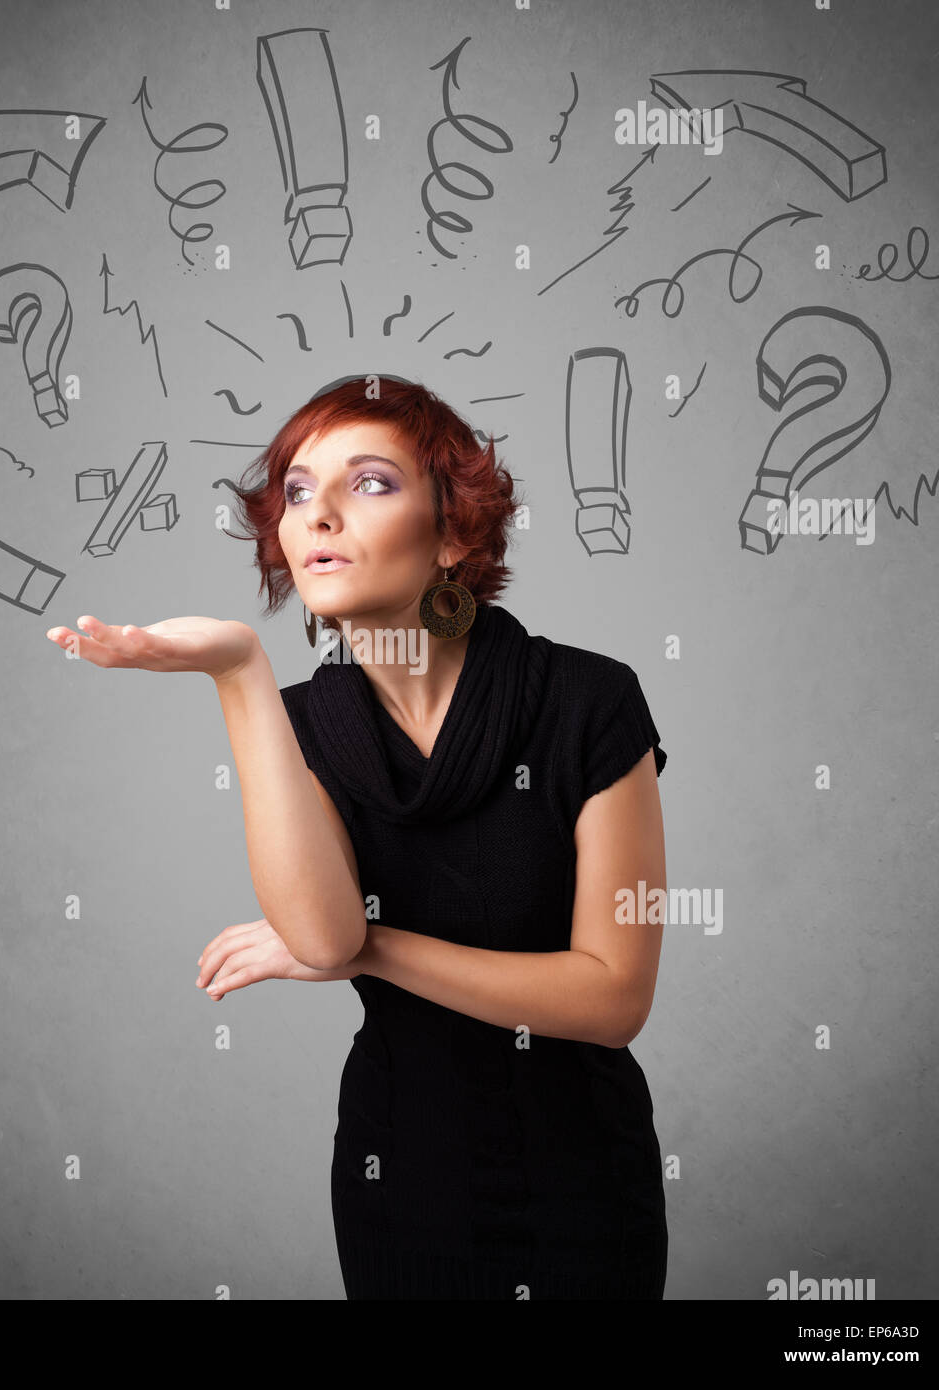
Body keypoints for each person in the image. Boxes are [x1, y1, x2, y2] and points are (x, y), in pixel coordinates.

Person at [45, 376, 670, 1300]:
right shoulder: (297, 719)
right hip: (401, 1174)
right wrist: (239, 674)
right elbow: (324, 936)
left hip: (584, 1179)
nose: (320, 516)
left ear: (454, 532)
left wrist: (374, 951)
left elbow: (613, 999)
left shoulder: (588, 700)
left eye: (370, 483)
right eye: (299, 493)